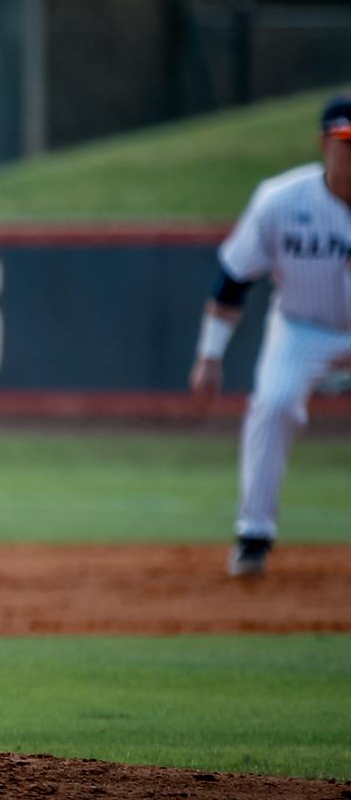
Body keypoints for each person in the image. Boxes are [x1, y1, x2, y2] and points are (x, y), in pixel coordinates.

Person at [189, 93, 351, 577]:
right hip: (301, 326)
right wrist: (209, 355)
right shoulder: (280, 201)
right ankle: (254, 535)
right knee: (274, 404)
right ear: (324, 142)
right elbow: (233, 280)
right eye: (345, 141)